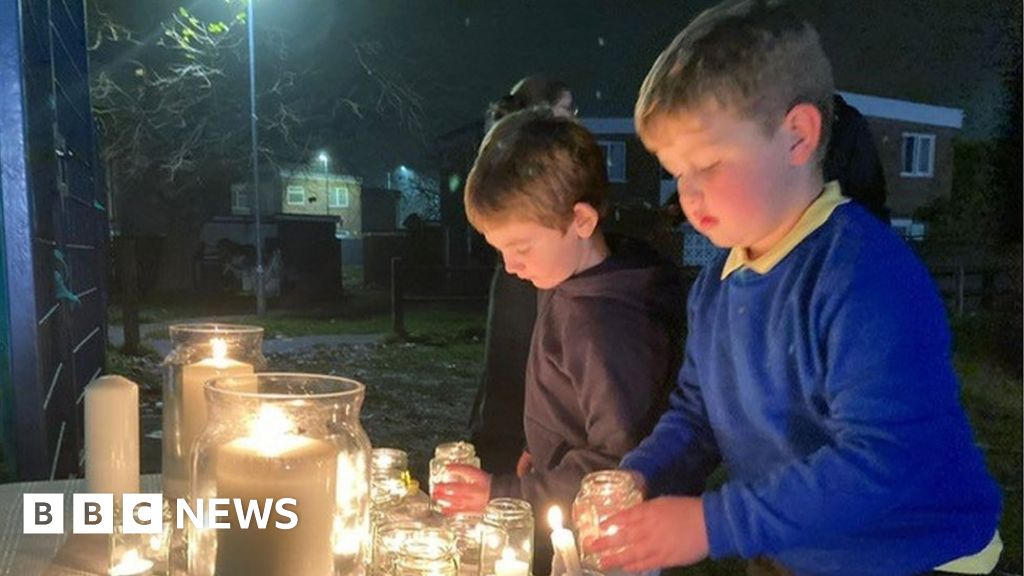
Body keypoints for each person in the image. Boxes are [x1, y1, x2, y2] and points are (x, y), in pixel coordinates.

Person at [586, 2, 1003, 575]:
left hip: (908, 555)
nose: (688, 193)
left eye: (708, 163)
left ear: (797, 136)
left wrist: (712, 524)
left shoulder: (865, 275)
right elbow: (698, 414)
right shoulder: (717, 287)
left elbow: (884, 459)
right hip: (791, 547)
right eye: (676, 171)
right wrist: (641, 475)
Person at [438, 108, 683, 572]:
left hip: (612, 539)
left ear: (582, 221)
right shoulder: (566, 279)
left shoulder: (604, 324)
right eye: (499, 249)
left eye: (521, 248)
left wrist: (506, 493)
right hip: (567, 499)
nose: (510, 266)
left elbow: (618, 464)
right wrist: (544, 446)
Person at [468, 76, 579, 476]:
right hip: (526, 286)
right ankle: (508, 460)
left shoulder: (512, 153)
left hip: (523, 283)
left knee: (517, 368)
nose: (574, 120)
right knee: (518, 364)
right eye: (567, 109)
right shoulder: (529, 162)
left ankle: (512, 453)